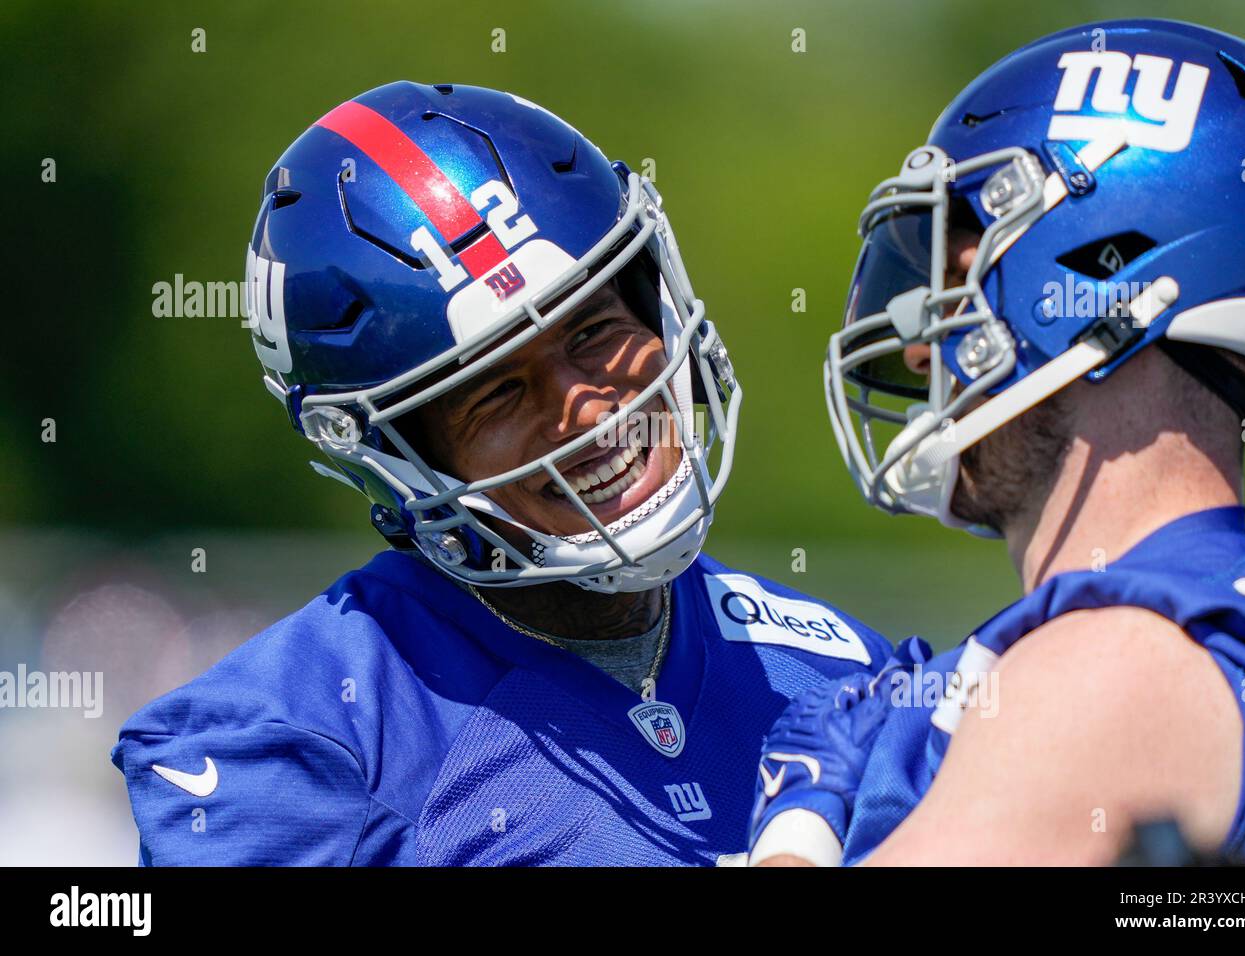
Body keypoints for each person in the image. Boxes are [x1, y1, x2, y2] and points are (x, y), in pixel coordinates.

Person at [111, 82, 893, 865]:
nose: (588, 411)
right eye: (498, 392)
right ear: (399, 456)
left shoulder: (842, 675)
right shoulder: (296, 745)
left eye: (592, 330)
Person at [748, 18, 1245, 866]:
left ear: (1099, 278)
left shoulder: (1115, 668)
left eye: (964, 279)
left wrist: (796, 828)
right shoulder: (1220, 632)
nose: (922, 348)